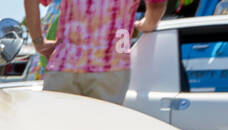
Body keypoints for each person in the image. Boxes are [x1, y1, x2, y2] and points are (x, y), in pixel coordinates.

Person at [24, 0, 166, 104]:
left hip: (66, 63)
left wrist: (38, 42)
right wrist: (146, 25)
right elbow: (157, 5)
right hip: (111, 67)